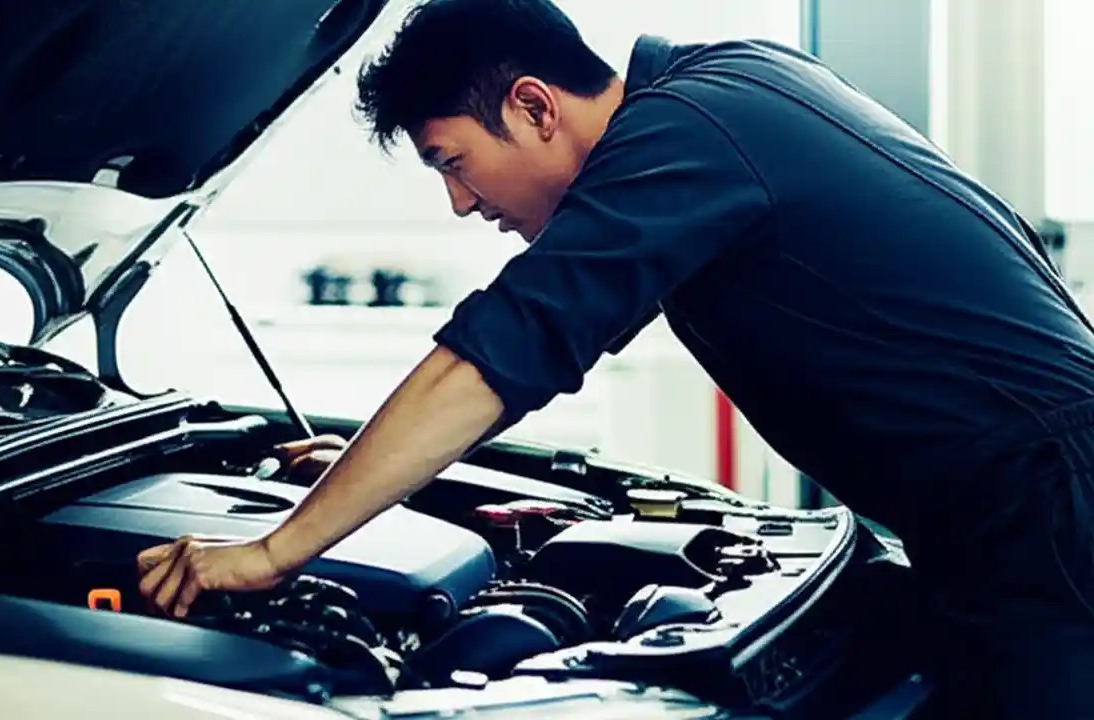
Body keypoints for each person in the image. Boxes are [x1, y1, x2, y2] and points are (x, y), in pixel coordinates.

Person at [136, 0, 1094, 714]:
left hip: (1045, 513)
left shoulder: (682, 138)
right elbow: (531, 352)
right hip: (1016, 504)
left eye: (453, 162)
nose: (461, 206)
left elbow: (502, 351)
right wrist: (383, 479)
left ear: (533, 106)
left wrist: (276, 548)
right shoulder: (728, 83)